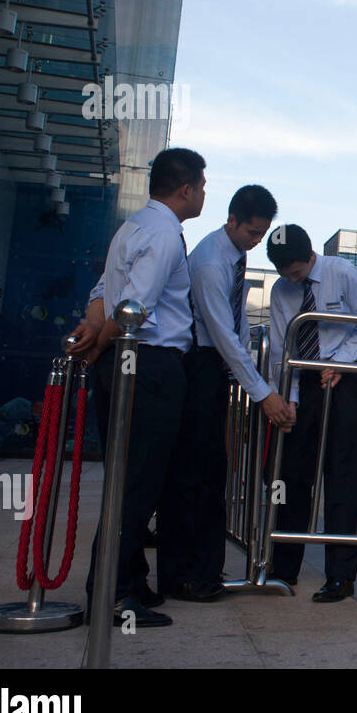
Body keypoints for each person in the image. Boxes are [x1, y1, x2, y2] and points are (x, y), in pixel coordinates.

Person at [70, 147, 206, 627]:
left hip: (122, 366)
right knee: (137, 485)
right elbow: (133, 309)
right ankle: (109, 594)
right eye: (203, 186)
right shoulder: (167, 233)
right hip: (146, 364)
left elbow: (100, 296)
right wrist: (99, 345)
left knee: (125, 479)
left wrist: (92, 335)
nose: (204, 194)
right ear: (186, 188)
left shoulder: (130, 228)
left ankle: (129, 580)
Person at [154, 185, 296, 602]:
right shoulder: (211, 263)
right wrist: (263, 393)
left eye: (261, 233)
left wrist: (249, 379)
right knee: (194, 475)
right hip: (198, 363)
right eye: (252, 232)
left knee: (213, 472)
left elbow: (235, 329)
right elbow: (222, 334)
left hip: (214, 368)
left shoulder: (234, 255)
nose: (256, 240)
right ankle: (186, 576)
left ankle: (204, 571)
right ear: (232, 219)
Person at [267, 224, 357, 602]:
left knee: (342, 475)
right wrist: (289, 397)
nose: (291, 278)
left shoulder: (341, 273)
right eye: (284, 273)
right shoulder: (281, 290)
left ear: (310, 255)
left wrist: (340, 362)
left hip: (343, 383)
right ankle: (283, 567)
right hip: (303, 385)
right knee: (291, 475)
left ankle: (341, 575)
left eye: (296, 272)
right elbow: (282, 348)